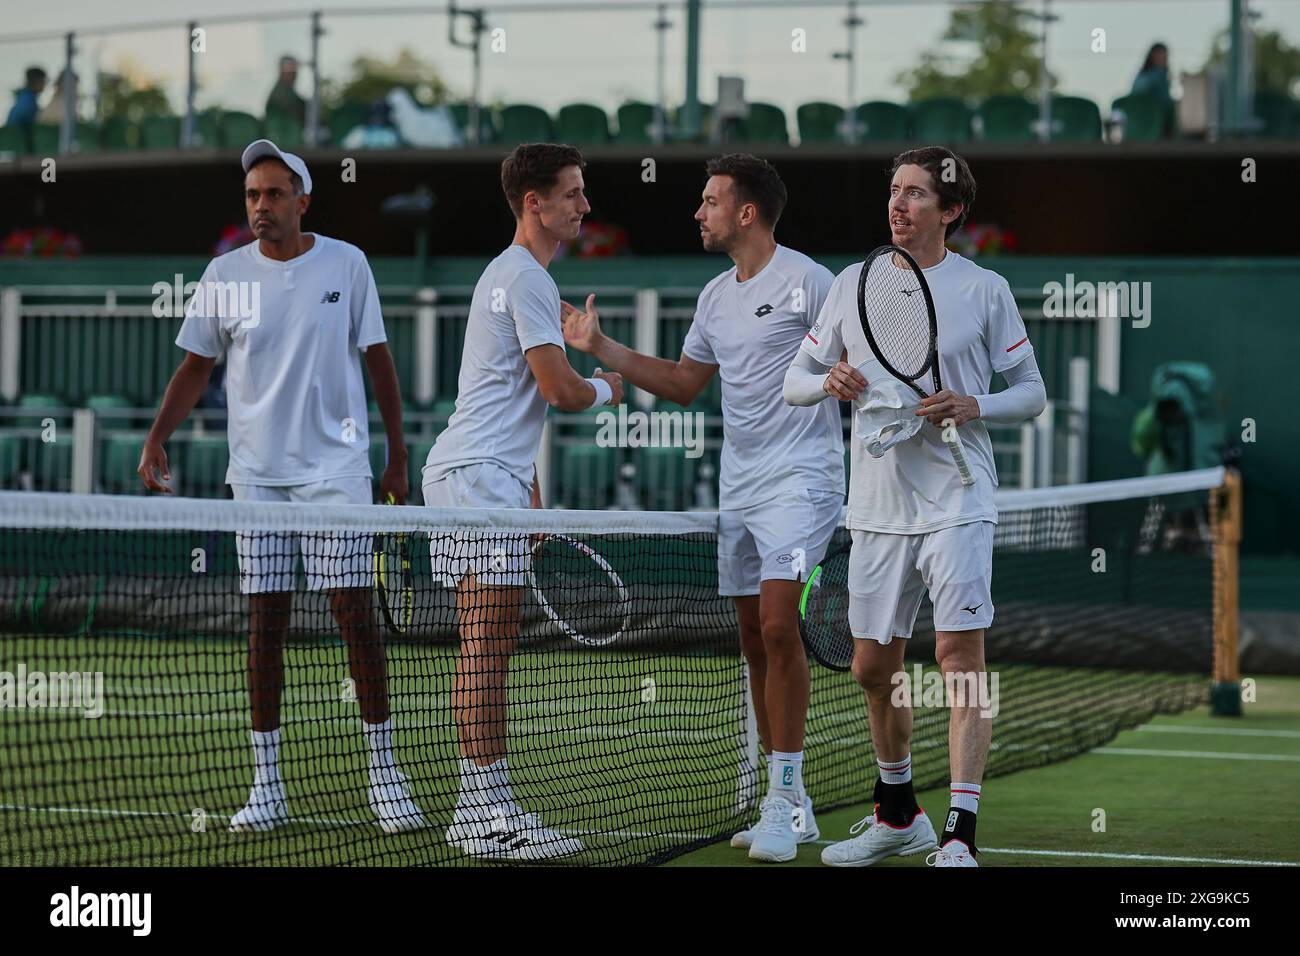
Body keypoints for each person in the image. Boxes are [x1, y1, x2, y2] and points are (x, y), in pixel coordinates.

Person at [562, 153, 843, 863]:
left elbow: (857, 361)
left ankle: (780, 798)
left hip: (803, 481)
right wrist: (601, 346)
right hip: (739, 485)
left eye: (710, 201)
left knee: (778, 623)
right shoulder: (716, 296)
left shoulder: (811, 281)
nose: (698, 212)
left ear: (746, 212)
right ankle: (794, 803)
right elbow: (686, 382)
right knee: (753, 636)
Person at [139, 139, 425, 835]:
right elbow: (195, 369)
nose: (260, 206)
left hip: (338, 472)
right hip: (257, 477)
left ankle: (385, 778)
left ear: (303, 200)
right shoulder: (223, 274)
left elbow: (379, 361)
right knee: (265, 625)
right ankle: (266, 787)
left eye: (273, 193)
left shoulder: (348, 263)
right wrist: (155, 437)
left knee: (355, 618)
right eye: (251, 196)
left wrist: (396, 456)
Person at [784, 146, 1046, 868]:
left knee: (960, 657)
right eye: (895, 191)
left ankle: (961, 830)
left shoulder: (985, 288)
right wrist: (827, 381)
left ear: (951, 210)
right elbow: (794, 382)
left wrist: (974, 403)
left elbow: (1032, 392)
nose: (899, 205)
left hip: (959, 497)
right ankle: (899, 814)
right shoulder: (851, 284)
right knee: (873, 668)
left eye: (917, 194)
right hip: (876, 506)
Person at [422, 142, 624, 861]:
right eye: (572, 193)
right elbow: (558, 391)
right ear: (534, 203)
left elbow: (502, 393)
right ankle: (486, 814)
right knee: (488, 643)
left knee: (485, 641)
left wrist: (529, 487)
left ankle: (479, 807)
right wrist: (609, 387)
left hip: (481, 474)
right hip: (477, 478)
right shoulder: (526, 277)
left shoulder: (509, 275)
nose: (585, 205)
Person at [1131, 43, 1175, 137]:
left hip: (1136, 124)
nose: (1164, 58)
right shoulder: (1159, 75)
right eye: (1161, 55)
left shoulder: (1140, 75)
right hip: (1153, 124)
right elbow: (1166, 102)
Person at [5, 67, 47, 150]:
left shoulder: (23, 98)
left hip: (14, 144)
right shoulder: (28, 102)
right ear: (36, 81)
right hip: (20, 147)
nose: (44, 84)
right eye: (43, 81)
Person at [265, 55, 307, 127]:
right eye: (291, 72)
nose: (294, 76)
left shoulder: (284, 90)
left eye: (294, 72)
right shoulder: (281, 92)